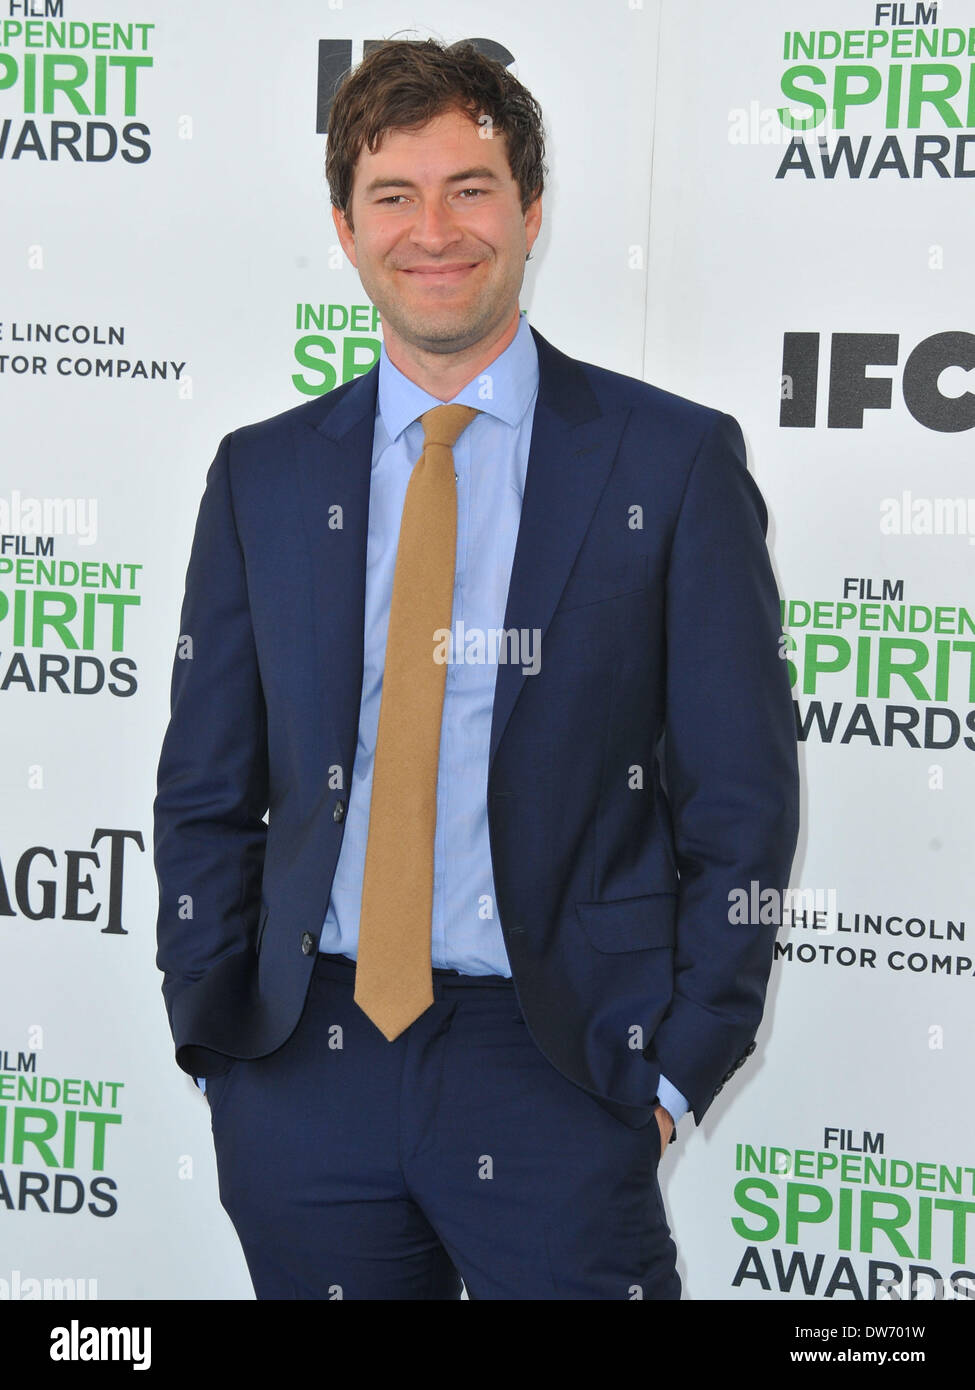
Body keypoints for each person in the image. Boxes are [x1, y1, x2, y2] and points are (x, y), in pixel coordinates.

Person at [153, 38, 800, 1300]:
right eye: (394, 195)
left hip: (555, 1061)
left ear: (532, 213)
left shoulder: (666, 464)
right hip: (304, 1060)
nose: (433, 229)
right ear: (345, 229)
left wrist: (674, 1076)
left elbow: (742, 795)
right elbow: (207, 784)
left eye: (472, 188)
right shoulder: (262, 475)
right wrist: (217, 1038)